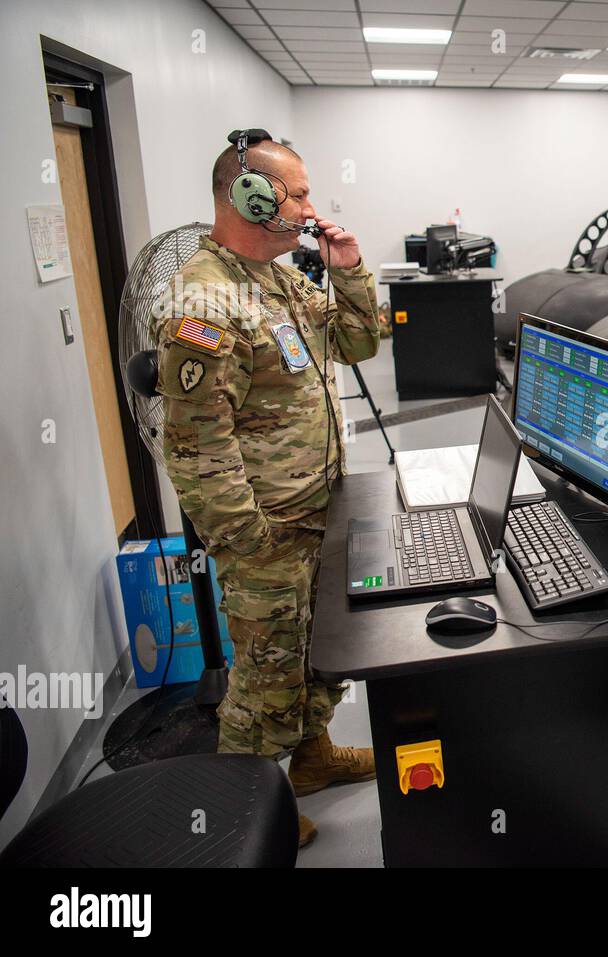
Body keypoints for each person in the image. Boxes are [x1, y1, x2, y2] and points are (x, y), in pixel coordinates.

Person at [153, 130, 381, 847]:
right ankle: (235, 815)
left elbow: (359, 343)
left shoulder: (280, 278)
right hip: (269, 529)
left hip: (319, 510)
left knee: (312, 652)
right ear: (251, 196)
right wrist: (249, 541)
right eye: (300, 193)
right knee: (262, 674)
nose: (312, 206)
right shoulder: (205, 301)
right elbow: (194, 445)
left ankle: (311, 758)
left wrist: (347, 268)